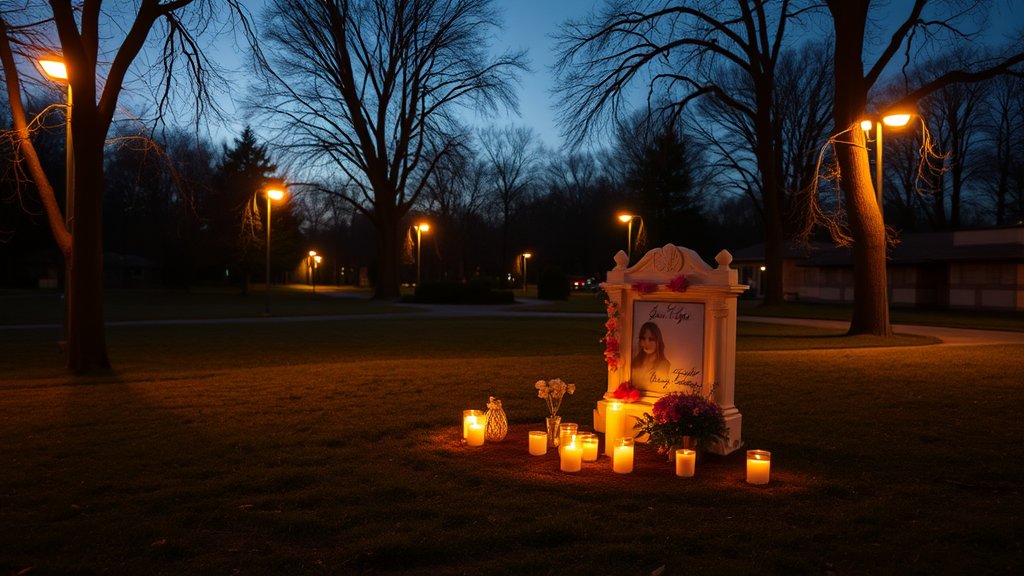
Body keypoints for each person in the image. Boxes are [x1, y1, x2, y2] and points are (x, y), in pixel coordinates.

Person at [631, 321, 671, 388]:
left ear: (658, 341)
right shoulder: (635, 362)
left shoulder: (664, 364)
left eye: (651, 339)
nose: (646, 343)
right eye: (643, 339)